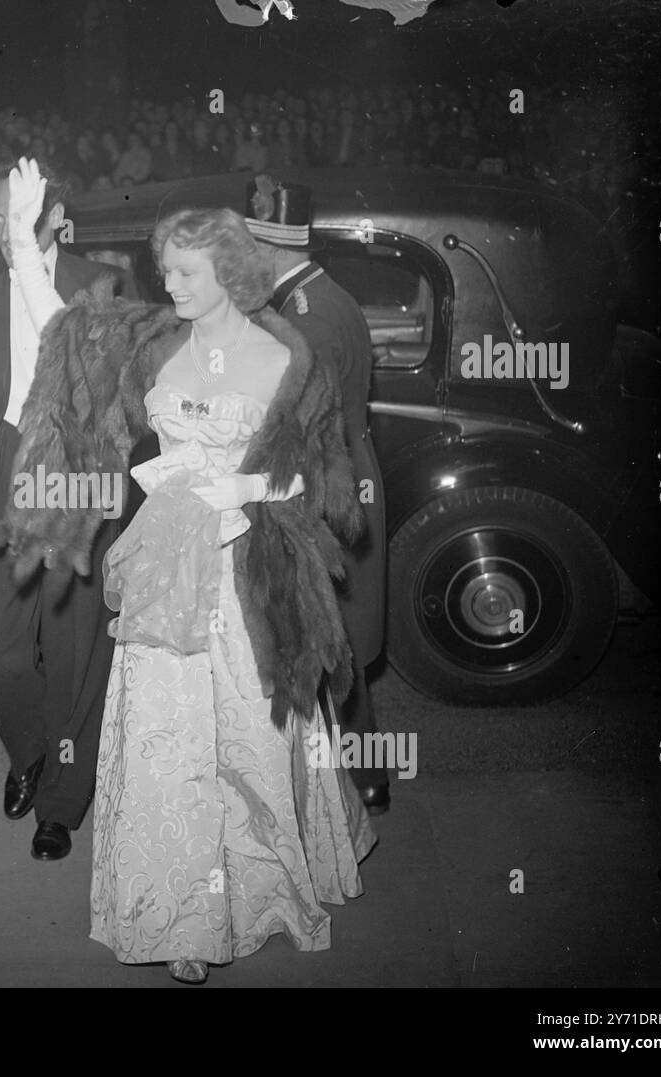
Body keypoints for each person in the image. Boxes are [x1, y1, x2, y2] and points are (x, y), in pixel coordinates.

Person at [0, 158, 375, 985]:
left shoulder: (283, 357)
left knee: (250, 739)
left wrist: (245, 488)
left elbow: (318, 479)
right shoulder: (158, 342)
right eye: (166, 272)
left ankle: (257, 886)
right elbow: (68, 332)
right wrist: (19, 239)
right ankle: (182, 911)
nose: (171, 285)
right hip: (165, 568)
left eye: (185, 273)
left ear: (229, 271)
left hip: (248, 572)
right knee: (170, 742)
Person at [0, 158, 133, 862]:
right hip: (2, 463)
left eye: (12, 216)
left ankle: (61, 803)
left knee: (76, 642)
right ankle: (32, 752)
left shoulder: (98, 284)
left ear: (53, 216)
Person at [246, 177, 389, 813]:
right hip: (350, 469)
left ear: (268, 246)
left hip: (324, 485)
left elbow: (308, 426)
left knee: (325, 636)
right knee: (337, 636)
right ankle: (365, 777)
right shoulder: (325, 296)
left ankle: (352, 784)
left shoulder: (305, 318)